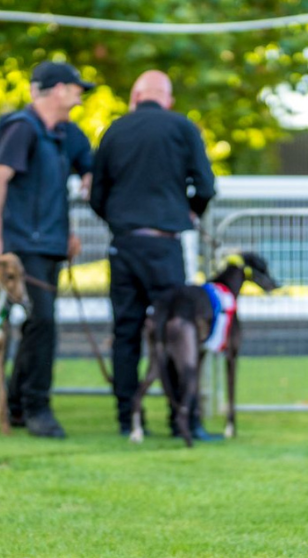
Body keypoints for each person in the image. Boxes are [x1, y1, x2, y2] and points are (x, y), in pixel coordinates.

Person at [89, 70, 217, 439]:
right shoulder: (182, 127)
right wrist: (189, 211)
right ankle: (184, 420)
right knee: (177, 329)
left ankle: (127, 419)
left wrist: (120, 222)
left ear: (134, 96)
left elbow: (98, 195)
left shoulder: (114, 131)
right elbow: (206, 185)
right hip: (164, 245)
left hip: (125, 244)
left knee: (126, 332)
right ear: (168, 99)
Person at [0, 61, 94, 439]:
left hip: (47, 245)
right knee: (42, 323)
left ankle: (17, 404)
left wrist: (67, 231)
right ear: (59, 89)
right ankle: (37, 407)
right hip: (22, 244)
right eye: (77, 88)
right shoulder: (21, 128)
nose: (80, 96)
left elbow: (55, 191)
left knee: (36, 325)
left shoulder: (59, 135)